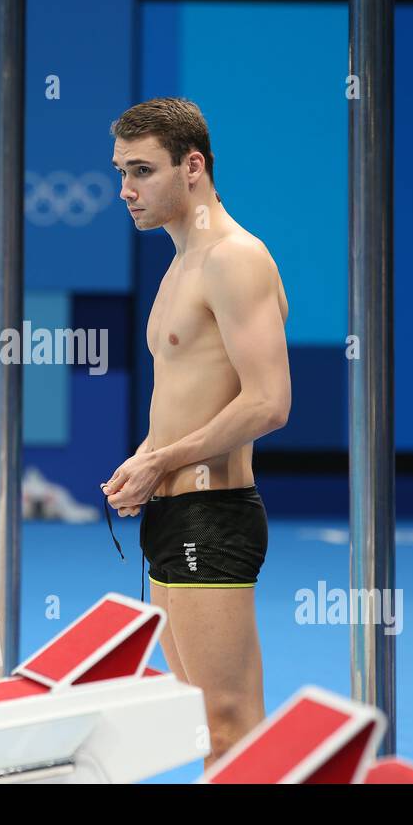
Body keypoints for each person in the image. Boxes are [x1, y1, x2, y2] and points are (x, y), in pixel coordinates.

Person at [102, 97, 291, 769]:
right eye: (121, 171)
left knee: (229, 729)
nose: (126, 189)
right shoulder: (180, 262)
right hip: (174, 515)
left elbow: (269, 403)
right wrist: (146, 461)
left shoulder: (234, 259)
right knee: (202, 728)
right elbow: (189, 400)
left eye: (142, 170)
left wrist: (166, 461)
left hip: (211, 519)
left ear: (192, 166)